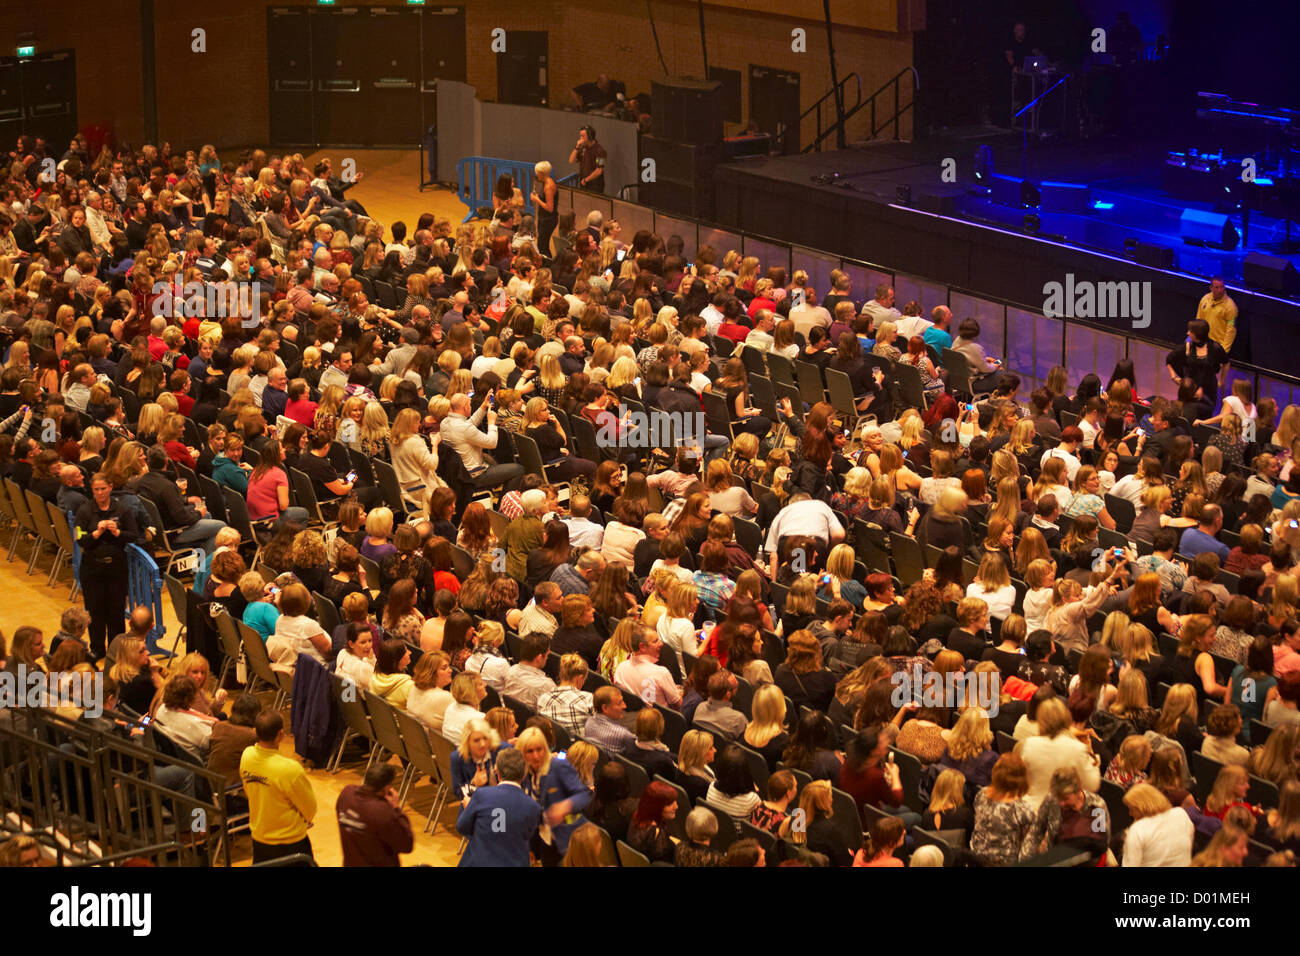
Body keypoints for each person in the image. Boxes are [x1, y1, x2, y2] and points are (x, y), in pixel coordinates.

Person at [75, 472, 139, 659]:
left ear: (110, 487)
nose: (100, 493)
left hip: (116, 568)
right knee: (94, 610)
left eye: (103, 489)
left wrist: (117, 532)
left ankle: (115, 648)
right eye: (96, 489)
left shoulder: (123, 509)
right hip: (92, 569)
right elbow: (79, 538)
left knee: (116, 610)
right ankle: (97, 648)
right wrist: (97, 532)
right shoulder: (84, 511)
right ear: (92, 490)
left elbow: (133, 535)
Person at [240, 711, 317, 864]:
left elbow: (249, 791)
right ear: (281, 734)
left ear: (256, 731)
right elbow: (310, 808)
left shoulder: (247, 755)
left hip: (260, 837)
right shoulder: (290, 769)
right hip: (291, 842)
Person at [456, 747, 542, 867]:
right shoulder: (533, 808)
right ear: (523, 775)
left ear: (498, 772)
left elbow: (462, 827)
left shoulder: (481, 795)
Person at [336, 763, 415, 867]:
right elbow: (407, 845)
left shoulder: (346, 794)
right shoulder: (382, 812)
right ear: (386, 789)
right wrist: (396, 808)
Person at [569, 125, 608, 194]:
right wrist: (577, 147)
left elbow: (599, 170)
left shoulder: (600, 151)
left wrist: (586, 180)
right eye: (580, 136)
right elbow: (571, 160)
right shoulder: (583, 148)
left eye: (583, 136)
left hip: (595, 186)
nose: (580, 138)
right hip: (584, 183)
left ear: (590, 136)